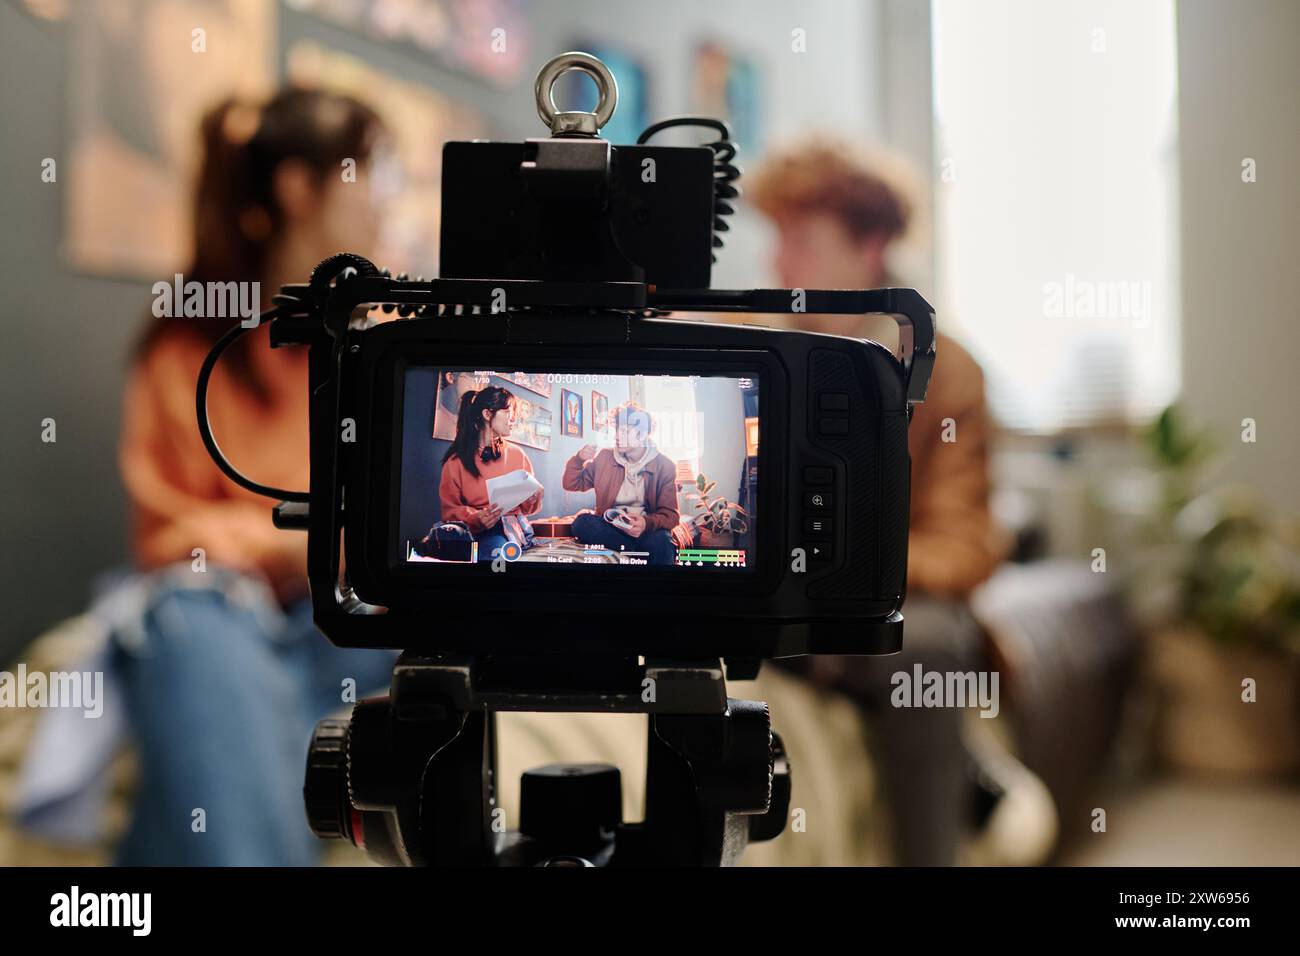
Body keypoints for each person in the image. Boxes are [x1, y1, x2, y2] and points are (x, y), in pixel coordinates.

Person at [746, 137, 1051, 865]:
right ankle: (969, 772)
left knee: (924, 648)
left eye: (800, 241)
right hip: (771, 596)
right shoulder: (754, 349)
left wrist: (836, 570)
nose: (778, 264)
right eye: (777, 240)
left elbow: (965, 546)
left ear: (871, 245)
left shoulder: (947, 373)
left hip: (895, 598)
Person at [116, 87, 400, 865]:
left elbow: (401, 539)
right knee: (190, 627)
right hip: (218, 612)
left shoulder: (387, 346)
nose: (385, 203)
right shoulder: (186, 349)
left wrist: (264, 541)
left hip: (335, 622)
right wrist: (305, 544)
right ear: (300, 188)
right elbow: (170, 539)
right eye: (371, 176)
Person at [563, 402, 679, 565]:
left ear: (642, 435)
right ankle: (638, 552)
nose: (617, 436)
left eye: (624, 431)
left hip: (645, 530)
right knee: (581, 523)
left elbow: (671, 516)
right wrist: (579, 459)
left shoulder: (665, 465)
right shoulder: (605, 457)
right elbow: (571, 484)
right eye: (617, 430)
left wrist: (646, 523)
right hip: (612, 527)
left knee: (662, 542)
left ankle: (634, 550)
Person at [438, 385, 544, 559]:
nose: (513, 419)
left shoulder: (517, 454)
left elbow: (527, 509)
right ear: (487, 414)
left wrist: (534, 497)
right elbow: (449, 512)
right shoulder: (455, 462)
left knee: (495, 549)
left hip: (508, 530)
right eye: (508, 413)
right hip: (469, 532)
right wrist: (475, 518)